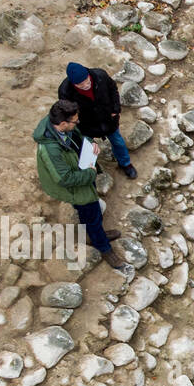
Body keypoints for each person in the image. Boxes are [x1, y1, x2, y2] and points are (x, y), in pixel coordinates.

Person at [33, 99, 133, 278]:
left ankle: (98, 234)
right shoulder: (50, 149)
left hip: (83, 169)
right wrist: (90, 174)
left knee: (92, 212)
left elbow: (79, 135)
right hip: (75, 184)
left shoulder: (57, 126)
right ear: (63, 124)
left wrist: (89, 142)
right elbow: (64, 178)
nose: (77, 123)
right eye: (74, 121)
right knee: (91, 212)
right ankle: (103, 247)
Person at [57, 62, 137, 179]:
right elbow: (68, 113)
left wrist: (116, 109)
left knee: (118, 142)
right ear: (74, 84)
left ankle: (125, 164)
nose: (85, 85)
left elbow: (113, 89)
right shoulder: (65, 92)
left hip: (108, 119)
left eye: (87, 81)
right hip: (86, 125)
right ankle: (95, 170)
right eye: (80, 84)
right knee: (88, 150)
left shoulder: (100, 76)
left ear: (88, 74)